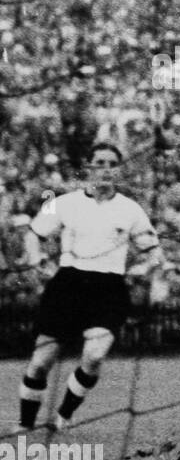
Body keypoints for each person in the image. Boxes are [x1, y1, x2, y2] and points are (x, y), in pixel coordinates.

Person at [17, 144, 162, 430]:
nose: (106, 169)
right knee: (41, 361)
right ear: (89, 167)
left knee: (94, 356)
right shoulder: (65, 203)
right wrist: (37, 261)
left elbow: (154, 250)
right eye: (100, 162)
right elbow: (33, 235)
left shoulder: (131, 210)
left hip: (108, 288)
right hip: (68, 284)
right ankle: (25, 426)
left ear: (118, 171)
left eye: (112, 164)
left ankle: (64, 416)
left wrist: (144, 268)